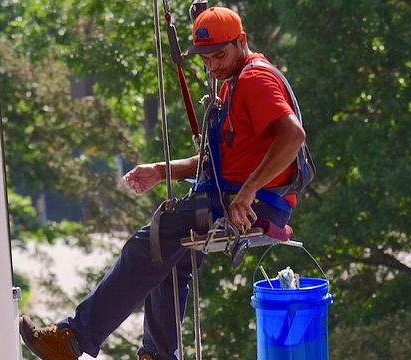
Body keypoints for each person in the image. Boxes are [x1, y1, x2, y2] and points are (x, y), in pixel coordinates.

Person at [20, 7, 308, 360]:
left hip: (253, 200)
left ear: (242, 42)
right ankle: (156, 355)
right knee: (170, 258)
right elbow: (215, 166)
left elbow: (292, 135)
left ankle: (71, 339)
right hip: (234, 194)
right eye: (206, 59)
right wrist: (160, 169)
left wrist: (247, 192)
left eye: (220, 55)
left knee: (149, 244)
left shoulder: (254, 80)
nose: (214, 66)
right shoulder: (234, 85)